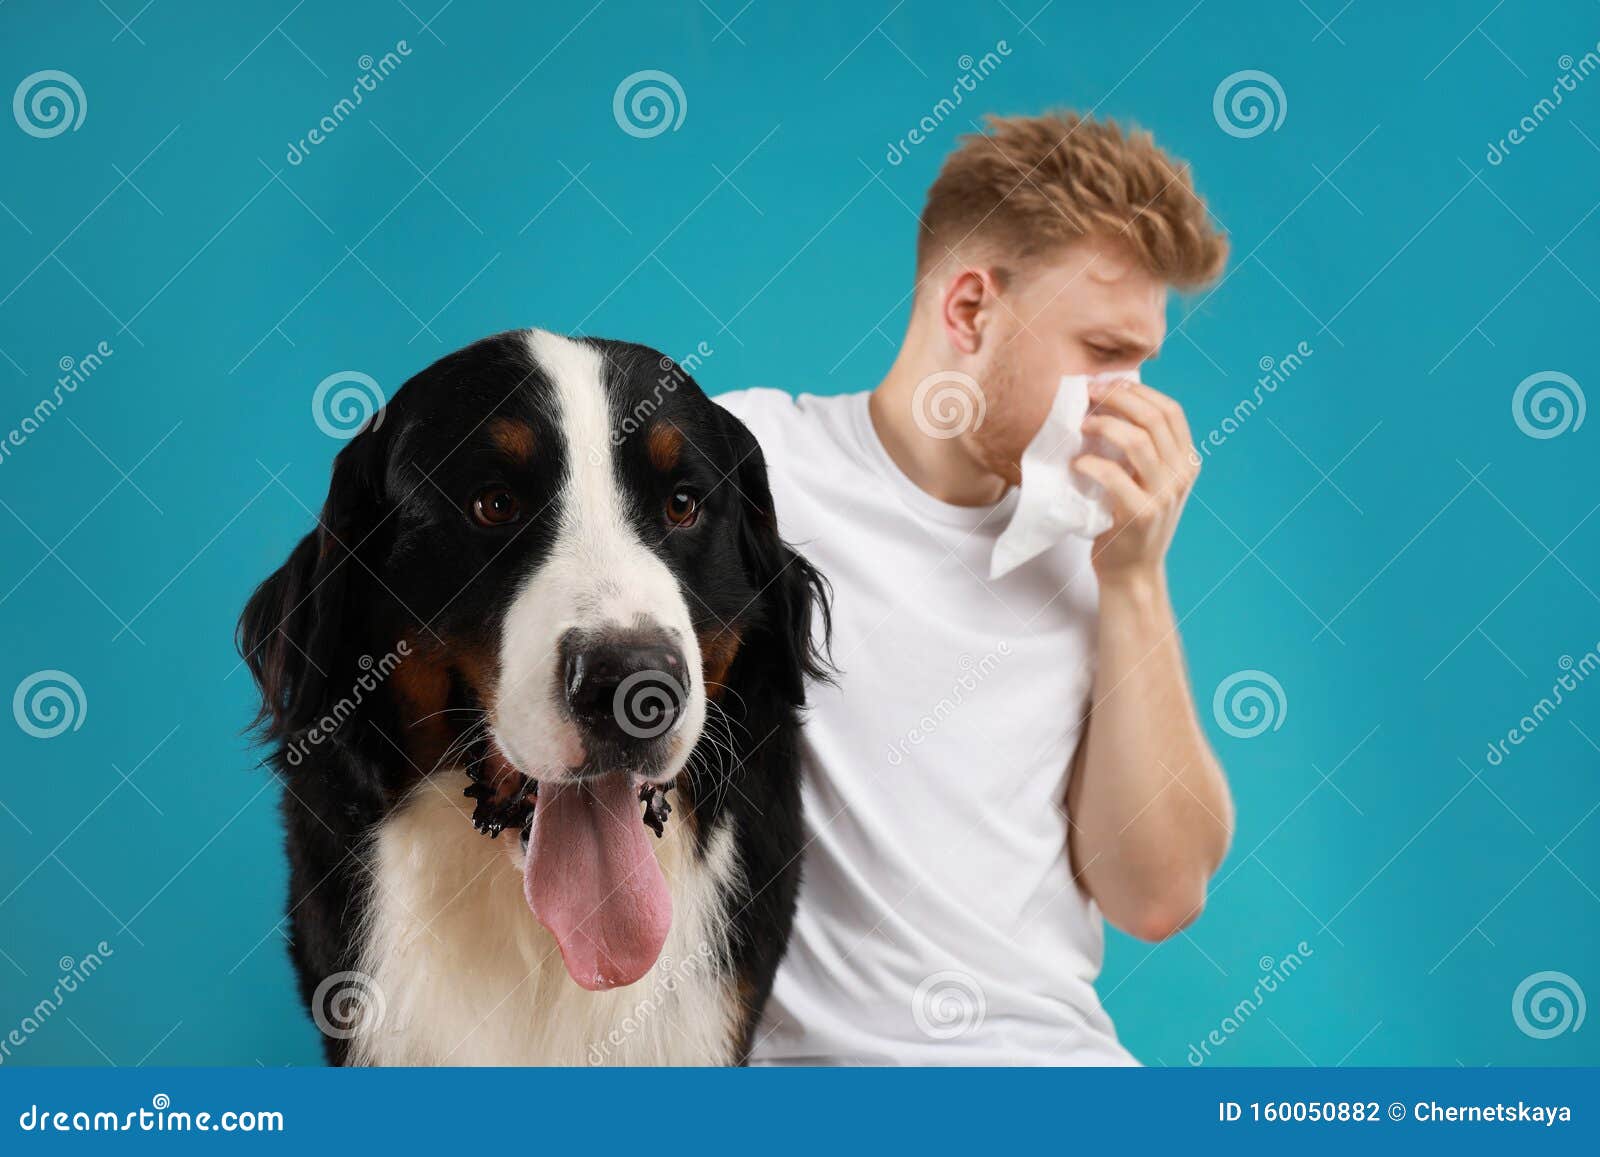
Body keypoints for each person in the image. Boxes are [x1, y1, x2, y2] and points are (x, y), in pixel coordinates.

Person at [715, 111, 1235, 1065]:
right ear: (968, 311)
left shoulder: (1096, 547)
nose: (1133, 400)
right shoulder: (745, 472)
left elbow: (1157, 896)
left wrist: (1134, 580)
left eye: (1144, 363)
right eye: (1105, 351)